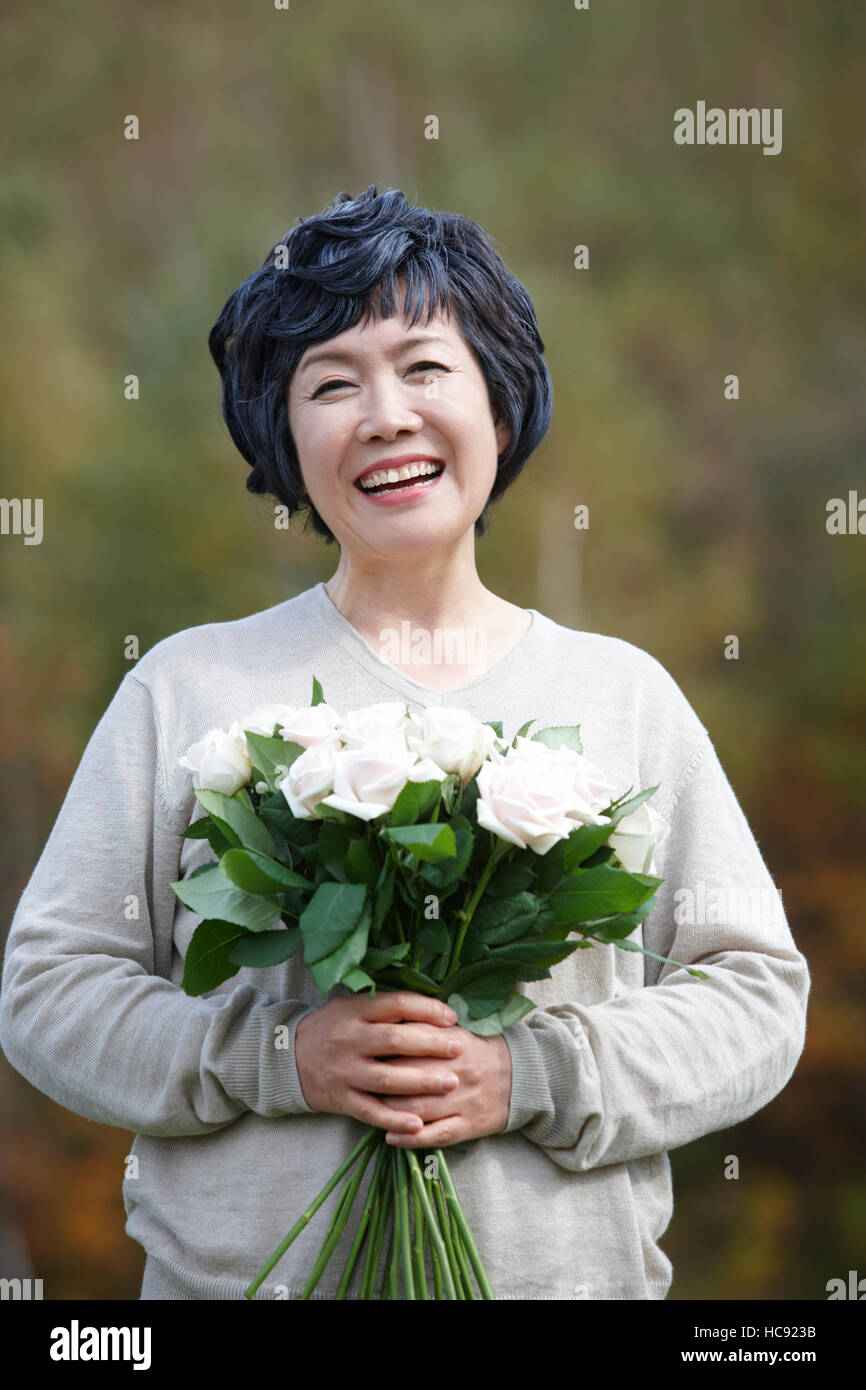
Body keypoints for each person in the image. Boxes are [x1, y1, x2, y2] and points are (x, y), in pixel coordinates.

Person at [0, 185, 810, 1300]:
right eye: (331, 384)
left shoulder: (624, 696)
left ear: (500, 404)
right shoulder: (187, 688)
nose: (384, 417)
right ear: (284, 440)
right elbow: (49, 990)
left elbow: (754, 994)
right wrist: (279, 1057)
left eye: (424, 367)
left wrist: (530, 1075)